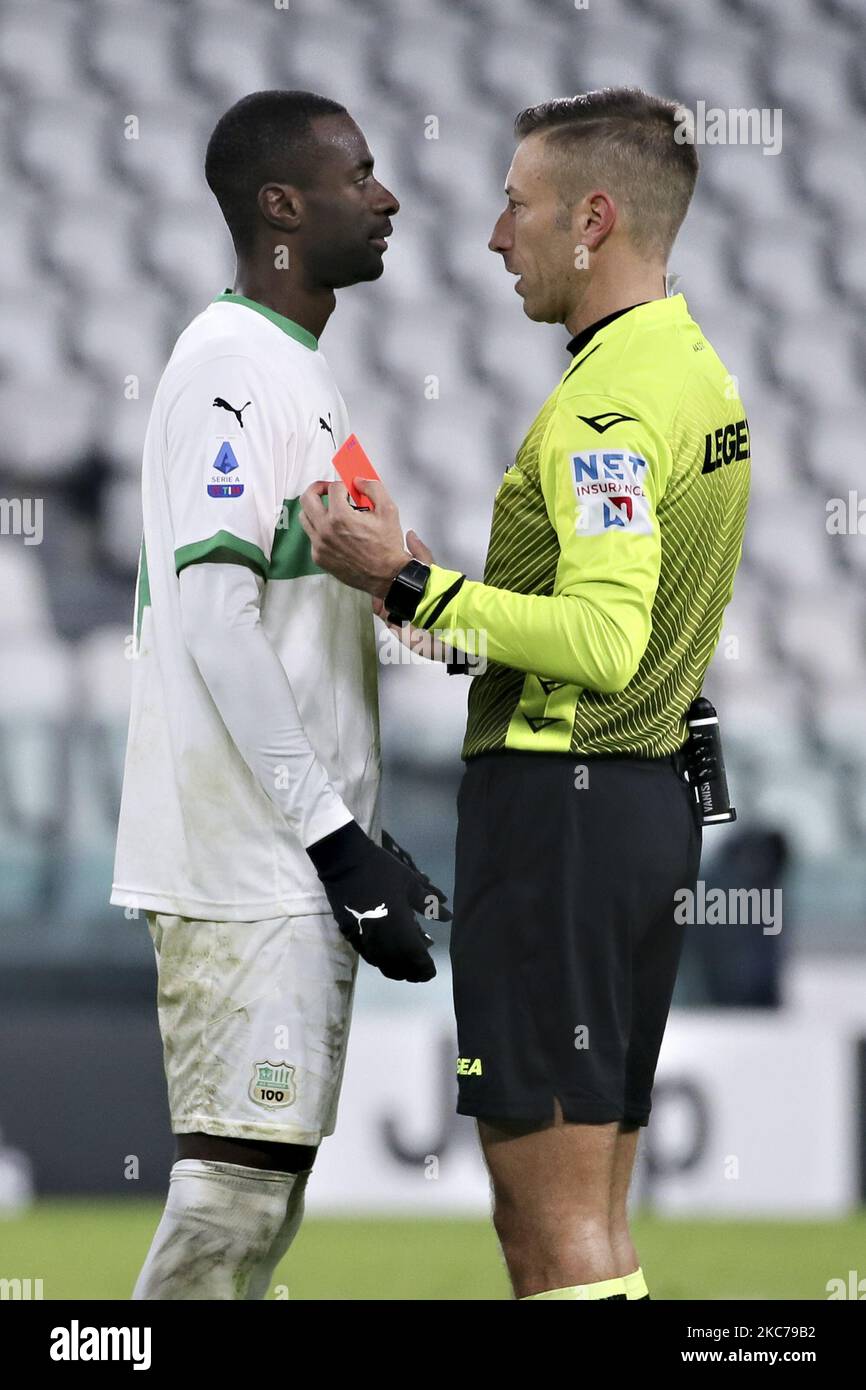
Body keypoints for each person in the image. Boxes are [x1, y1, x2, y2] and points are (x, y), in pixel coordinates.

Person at [299, 87, 751, 1302]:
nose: (497, 237)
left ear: (592, 218)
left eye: (516, 206)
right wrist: (419, 597)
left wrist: (407, 581)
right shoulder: (692, 372)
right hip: (637, 806)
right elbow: (605, 626)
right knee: (594, 1226)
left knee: (548, 1236)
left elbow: (601, 639)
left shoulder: (604, 407)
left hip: (559, 819)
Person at [111, 89, 448, 1301]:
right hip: (244, 855)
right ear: (281, 207)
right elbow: (212, 619)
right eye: (359, 174)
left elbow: (379, 596)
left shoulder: (306, 380)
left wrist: (360, 830)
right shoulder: (227, 370)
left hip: (291, 852)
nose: (387, 194)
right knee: (232, 1194)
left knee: (263, 1193)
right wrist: (329, 836)